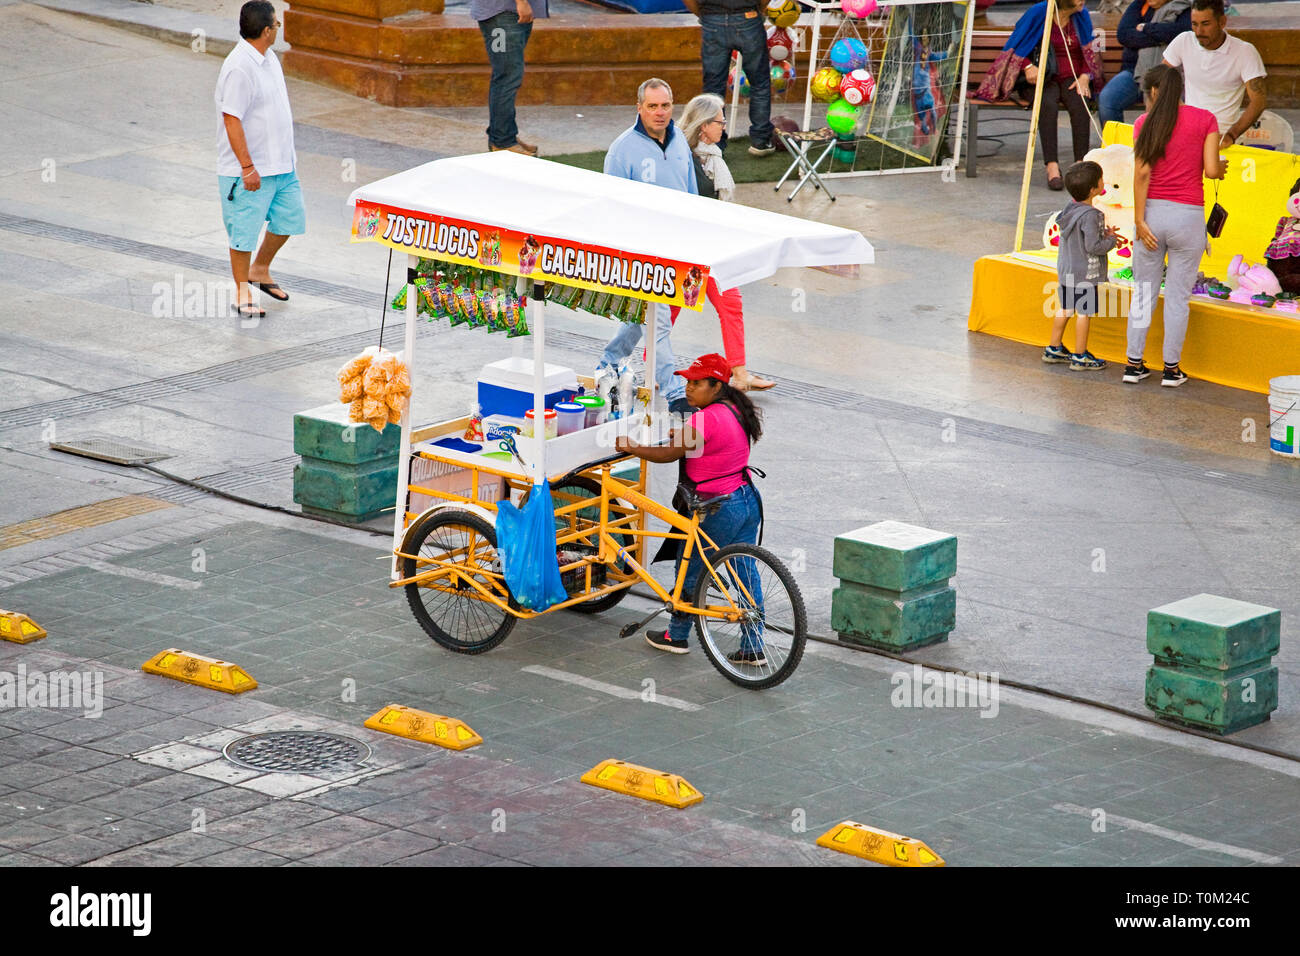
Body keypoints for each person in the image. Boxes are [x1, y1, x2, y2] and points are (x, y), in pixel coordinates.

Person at [614, 353, 766, 664]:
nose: (688, 388)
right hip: (746, 498)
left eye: (697, 383)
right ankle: (754, 647)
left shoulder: (704, 418)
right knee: (745, 573)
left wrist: (631, 447)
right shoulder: (736, 408)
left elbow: (669, 454)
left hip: (717, 507)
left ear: (716, 385)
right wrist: (682, 437)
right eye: (687, 382)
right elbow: (708, 443)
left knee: (693, 568)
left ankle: (677, 635)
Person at [1125, 64, 1227, 387]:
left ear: (1154, 92)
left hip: (1151, 216)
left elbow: (1142, 174)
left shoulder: (1143, 124)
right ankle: (1171, 369)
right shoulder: (1205, 119)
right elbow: (1211, 170)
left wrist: (1139, 220)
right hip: (1188, 218)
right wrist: (1221, 166)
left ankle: (1134, 364)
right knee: (1178, 297)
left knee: (1143, 293)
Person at [599, 79, 696, 415]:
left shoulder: (680, 139)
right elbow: (609, 206)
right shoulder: (622, 149)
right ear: (638, 106)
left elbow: (691, 192)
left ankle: (609, 362)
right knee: (659, 320)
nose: (660, 112)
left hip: (677, 247)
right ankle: (674, 393)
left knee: (642, 317)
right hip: (643, 252)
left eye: (666, 105)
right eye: (653, 106)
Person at [677, 94, 775, 392]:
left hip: (712, 250)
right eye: (720, 121)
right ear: (704, 126)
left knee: (731, 305)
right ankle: (645, 363)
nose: (724, 128)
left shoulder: (713, 158)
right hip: (686, 251)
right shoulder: (682, 156)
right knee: (666, 311)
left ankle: (740, 372)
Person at [216, 1, 305, 319]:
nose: (278, 29)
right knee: (243, 234)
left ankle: (261, 268)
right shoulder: (240, 66)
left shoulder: (269, 59)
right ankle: (242, 292)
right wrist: (247, 167)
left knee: (290, 221)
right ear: (267, 31)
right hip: (250, 171)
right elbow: (232, 119)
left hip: (282, 166)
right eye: (276, 25)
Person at [971, 0, 1103, 191]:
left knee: (1079, 102)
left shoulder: (1081, 16)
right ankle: (1052, 166)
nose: (1083, 0)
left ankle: (1080, 166)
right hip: (1040, 77)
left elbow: (1090, 51)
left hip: (1070, 77)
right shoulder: (1039, 12)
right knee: (1046, 103)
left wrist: (1084, 76)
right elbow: (1015, 45)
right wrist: (1027, 66)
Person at [1042, 160, 1118, 370]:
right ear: (1094, 189)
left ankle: (1053, 348)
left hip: (1066, 269)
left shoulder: (1069, 210)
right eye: (1101, 179)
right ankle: (1080, 354)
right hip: (1085, 273)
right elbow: (1093, 246)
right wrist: (1111, 240)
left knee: (1065, 308)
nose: (1104, 182)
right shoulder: (1093, 216)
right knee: (1084, 313)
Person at [1162, 0, 1267, 147]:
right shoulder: (1183, 40)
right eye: (1194, 24)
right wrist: (1178, 109)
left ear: (1222, 22)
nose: (1199, 32)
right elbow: (1158, 80)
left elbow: (1259, 101)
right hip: (1186, 133)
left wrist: (1231, 134)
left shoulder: (1245, 51)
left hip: (1222, 135)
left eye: (1205, 24)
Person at [681, 0, 776, 156]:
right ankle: (761, 140)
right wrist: (758, 8)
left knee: (713, 88)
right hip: (748, 17)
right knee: (760, 82)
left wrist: (705, 14)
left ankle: (714, 143)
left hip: (713, 18)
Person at [1098, 0, 1191, 127]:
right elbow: (1124, 35)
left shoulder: (1182, 7)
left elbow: (1180, 33)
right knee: (1107, 100)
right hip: (1134, 72)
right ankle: (1117, 146)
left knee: (1171, 109)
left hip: (1168, 75)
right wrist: (1161, 39)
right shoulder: (1139, 5)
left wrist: (1146, 28)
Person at [471, 0, 546, 155]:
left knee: (507, 76)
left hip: (510, 13)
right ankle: (502, 141)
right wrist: (522, 2)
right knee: (506, 77)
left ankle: (504, 135)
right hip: (502, 14)